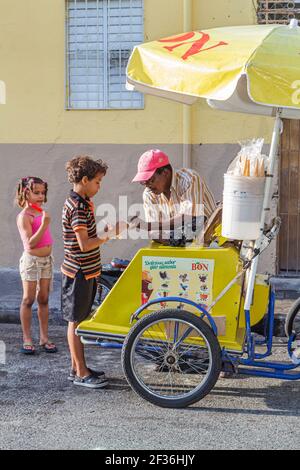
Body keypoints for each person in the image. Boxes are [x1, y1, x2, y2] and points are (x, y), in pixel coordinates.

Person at [62, 155, 125, 389]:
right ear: (85, 180)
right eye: (98, 182)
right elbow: (85, 245)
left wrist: (104, 230)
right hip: (78, 271)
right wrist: (109, 234)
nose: (99, 186)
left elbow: (87, 237)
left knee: (80, 318)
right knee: (76, 322)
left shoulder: (83, 202)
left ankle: (76, 367)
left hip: (85, 270)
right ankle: (80, 372)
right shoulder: (78, 205)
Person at [132, 149, 216, 244]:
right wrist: (174, 241)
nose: (147, 185)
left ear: (165, 173)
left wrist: (149, 226)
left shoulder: (189, 180)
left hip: (211, 244)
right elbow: (154, 233)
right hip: (179, 248)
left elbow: (188, 218)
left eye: (150, 180)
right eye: (143, 182)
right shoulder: (149, 194)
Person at [16, 176, 57, 355]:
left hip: (47, 260)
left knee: (44, 299)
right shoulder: (24, 216)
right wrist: (44, 225)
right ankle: (27, 338)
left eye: (43, 193)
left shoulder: (41, 213)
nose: (41, 196)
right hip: (31, 261)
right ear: (26, 193)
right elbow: (30, 244)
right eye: (36, 193)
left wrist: (44, 221)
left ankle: (44, 337)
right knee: (28, 299)